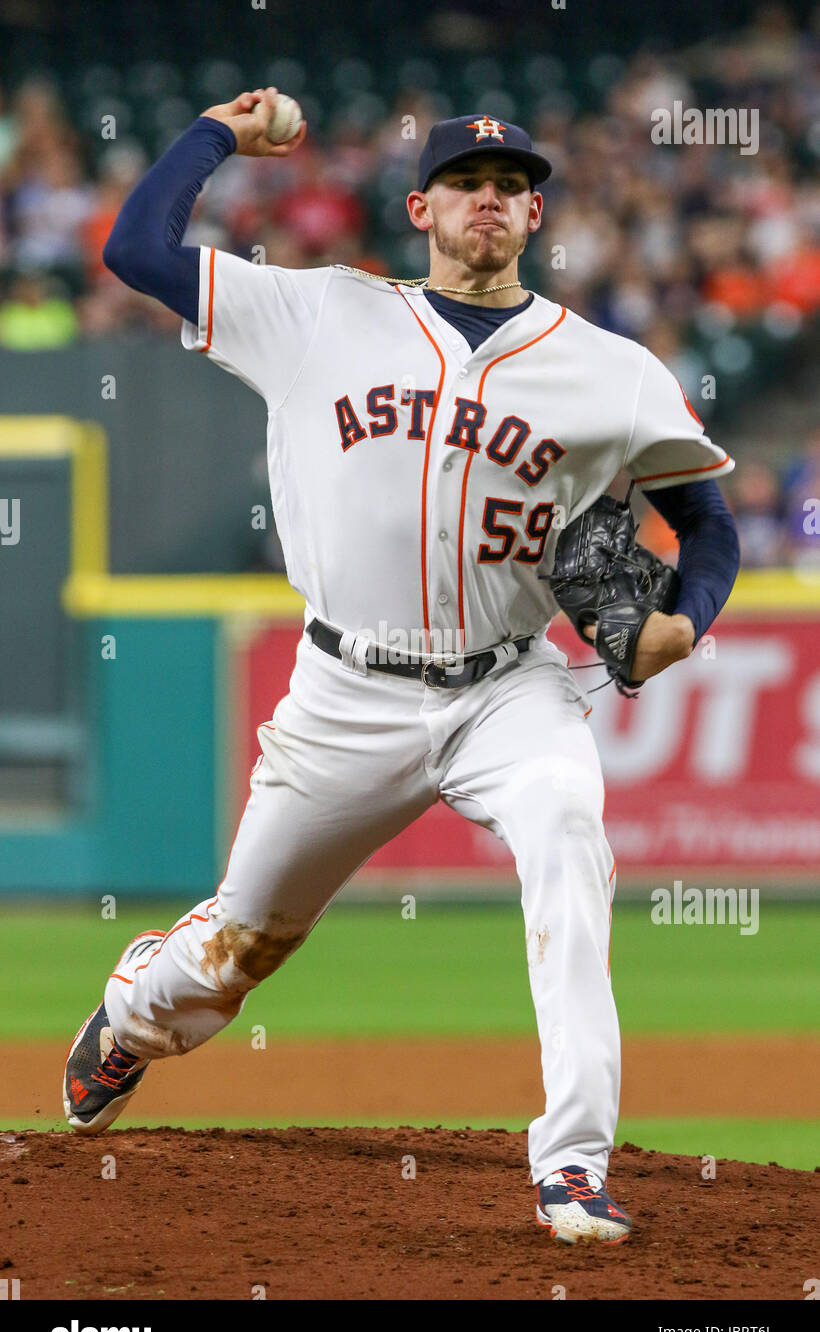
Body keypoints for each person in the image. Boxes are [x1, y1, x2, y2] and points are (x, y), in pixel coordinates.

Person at [63, 89, 740, 1245]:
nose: (492, 199)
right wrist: (222, 131)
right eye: (469, 184)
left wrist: (688, 615)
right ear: (421, 206)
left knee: (569, 837)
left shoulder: (611, 372)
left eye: (514, 187)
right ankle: (136, 1011)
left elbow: (708, 526)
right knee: (235, 952)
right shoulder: (316, 311)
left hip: (508, 690)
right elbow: (134, 247)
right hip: (345, 695)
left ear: (534, 217)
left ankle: (572, 1162)